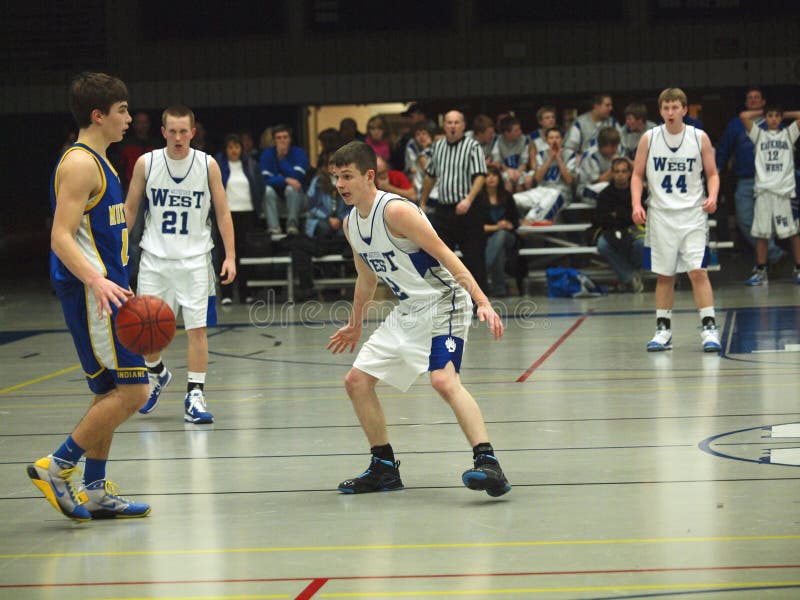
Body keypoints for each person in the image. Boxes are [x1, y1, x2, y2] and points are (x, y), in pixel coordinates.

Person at [327, 141, 510, 497]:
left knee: (443, 380)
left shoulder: (396, 212)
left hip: (445, 301)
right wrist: (355, 323)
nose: (341, 184)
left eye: (347, 176)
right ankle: (383, 468)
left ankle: (488, 463)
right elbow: (366, 278)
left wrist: (482, 300)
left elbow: (445, 254)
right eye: (336, 177)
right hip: (410, 309)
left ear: (369, 176)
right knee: (356, 382)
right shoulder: (351, 224)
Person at [28, 71, 150, 521]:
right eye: (121, 111)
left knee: (108, 392)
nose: (129, 118)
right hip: (92, 292)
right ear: (98, 116)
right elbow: (60, 236)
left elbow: (97, 236)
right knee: (135, 392)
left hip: (107, 288)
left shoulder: (103, 161)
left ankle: (95, 489)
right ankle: (58, 466)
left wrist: (117, 279)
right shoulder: (80, 164)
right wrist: (98, 282)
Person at [125, 105, 236, 423]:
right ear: (162, 132)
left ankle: (195, 395)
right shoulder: (147, 163)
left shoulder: (207, 165)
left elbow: (223, 213)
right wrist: (118, 253)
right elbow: (130, 210)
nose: (177, 137)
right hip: (155, 260)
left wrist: (229, 256)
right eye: (171, 131)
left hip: (195, 260)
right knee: (145, 336)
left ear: (193, 131)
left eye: (183, 131)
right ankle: (157, 373)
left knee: (197, 330)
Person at [631, 88, 721, 353]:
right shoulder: (649, 138)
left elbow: (713, 173)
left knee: (698, 271)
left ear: (684, 110)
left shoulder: (699, 137)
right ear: (660, 111)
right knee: (664, 276)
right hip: (660, 215)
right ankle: (663, 330)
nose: (670, 113)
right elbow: (637, 175)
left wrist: (713, 196)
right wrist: (636, 204)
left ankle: (708, 327)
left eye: (675, 108)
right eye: (666, 108)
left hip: (692, 214)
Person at [421, 109, 489, 295]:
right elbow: (430, 176)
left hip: (468, 208)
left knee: (474, 256)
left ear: (463, 126)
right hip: (444, 209)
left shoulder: (472, 146)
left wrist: (468, 199)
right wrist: (423, 202)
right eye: (449, 122)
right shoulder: (437, 147)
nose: (452, 126)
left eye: (456, 122)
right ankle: (446, 296)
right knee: (440, 256)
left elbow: (481, 176)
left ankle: (479, 301)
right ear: (444, 126)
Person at [716, 87, 783, 264]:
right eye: (750, 98)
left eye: (757, 98)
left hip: (771, 180)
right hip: (745, 180)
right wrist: (715, 169)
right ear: (746, 103)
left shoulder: (774, 122)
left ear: (763, 102)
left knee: (771, 222)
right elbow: (724, 149)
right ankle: (774, 255)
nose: (753, 100)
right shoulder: (736, 124)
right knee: (744, 220)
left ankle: (764, 264)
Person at [740, 106, 800, 285]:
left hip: (784, 191)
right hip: (764, 191)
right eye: (770, 116)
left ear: (781, 118)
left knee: (794, 232)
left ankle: (798, 267)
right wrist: (764, 113)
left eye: (776, 116)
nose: (773, 119)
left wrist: (784, 113)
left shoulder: (789, 134)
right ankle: (761, 270)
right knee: (762, 233)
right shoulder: (759, 135)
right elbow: (744, 116)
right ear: (765, 118)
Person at [289, 152, 351, 300]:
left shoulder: (347, 181)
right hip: (322, 220)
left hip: (342, 221)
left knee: (347, 231)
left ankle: (338, 284)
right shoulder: (317, 181)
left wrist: (340, 219)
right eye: (330, 164)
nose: (333, 167)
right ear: (325, 166)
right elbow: (311, 206)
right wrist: (328, 218)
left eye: (336, 164)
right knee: (324, 228)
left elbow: (352, 204)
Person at [216, 133, 264, 304]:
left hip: (247, 213)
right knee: (225, 253)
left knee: (245, 254)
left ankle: (246, 293)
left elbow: (260, 188)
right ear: (225, 150)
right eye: (230, 147)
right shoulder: (219, 166)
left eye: (236, 147)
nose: (234, 150)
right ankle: (227, 293)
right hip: (227, 214)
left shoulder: (251, 165)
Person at [594, 158, 644, 292]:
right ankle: (631, 277)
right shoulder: (604, 194)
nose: (620, 174)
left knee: (642, 244)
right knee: (602, 245)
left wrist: (618, 215)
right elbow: (601, 219)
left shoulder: (639, 191)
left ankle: (627, 276)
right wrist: (625, 216)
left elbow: (641, 216)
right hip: (611, 231)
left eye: (623, 171)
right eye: (616, 171)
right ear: (612, 173)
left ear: (629, 173)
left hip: (636, 230)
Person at [478, 164, 521, 297]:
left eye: (494, 175)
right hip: (486, 238)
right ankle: (499, 288)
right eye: (488, 175)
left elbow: (515, 222)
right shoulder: (479, 198)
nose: (491, 178)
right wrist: (498, 226)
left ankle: (482, 272)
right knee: (499, 248)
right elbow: (479, 227)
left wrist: (508, 225)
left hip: (508, 238)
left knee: (501, 235)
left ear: (499, 178)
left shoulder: (507, 196)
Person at [260, 124, 309, 236]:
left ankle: (292, 227)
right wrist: (285, 179)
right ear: (274, 140)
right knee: (268, 190)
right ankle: (274, 228)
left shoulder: (299, 153)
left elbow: (297, 178)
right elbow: (266, 179)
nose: (282, 140)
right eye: (279, 137)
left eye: (285, 137)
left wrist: (282, 160)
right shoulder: (267, 154)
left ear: (290, 139)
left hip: (298, 199)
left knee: (291, 189)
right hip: (277, 201)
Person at [491, 115, 531, 193]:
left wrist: (517, 172)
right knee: (507, 184)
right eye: (516, 130)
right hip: (504, 171)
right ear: (507, 133)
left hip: (520, 171)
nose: (520, 132)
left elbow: (524, 162)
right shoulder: (497, 141)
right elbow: (497, 162)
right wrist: (508, 171)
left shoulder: (524, 140)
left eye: (519, 129)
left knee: (520, 184)